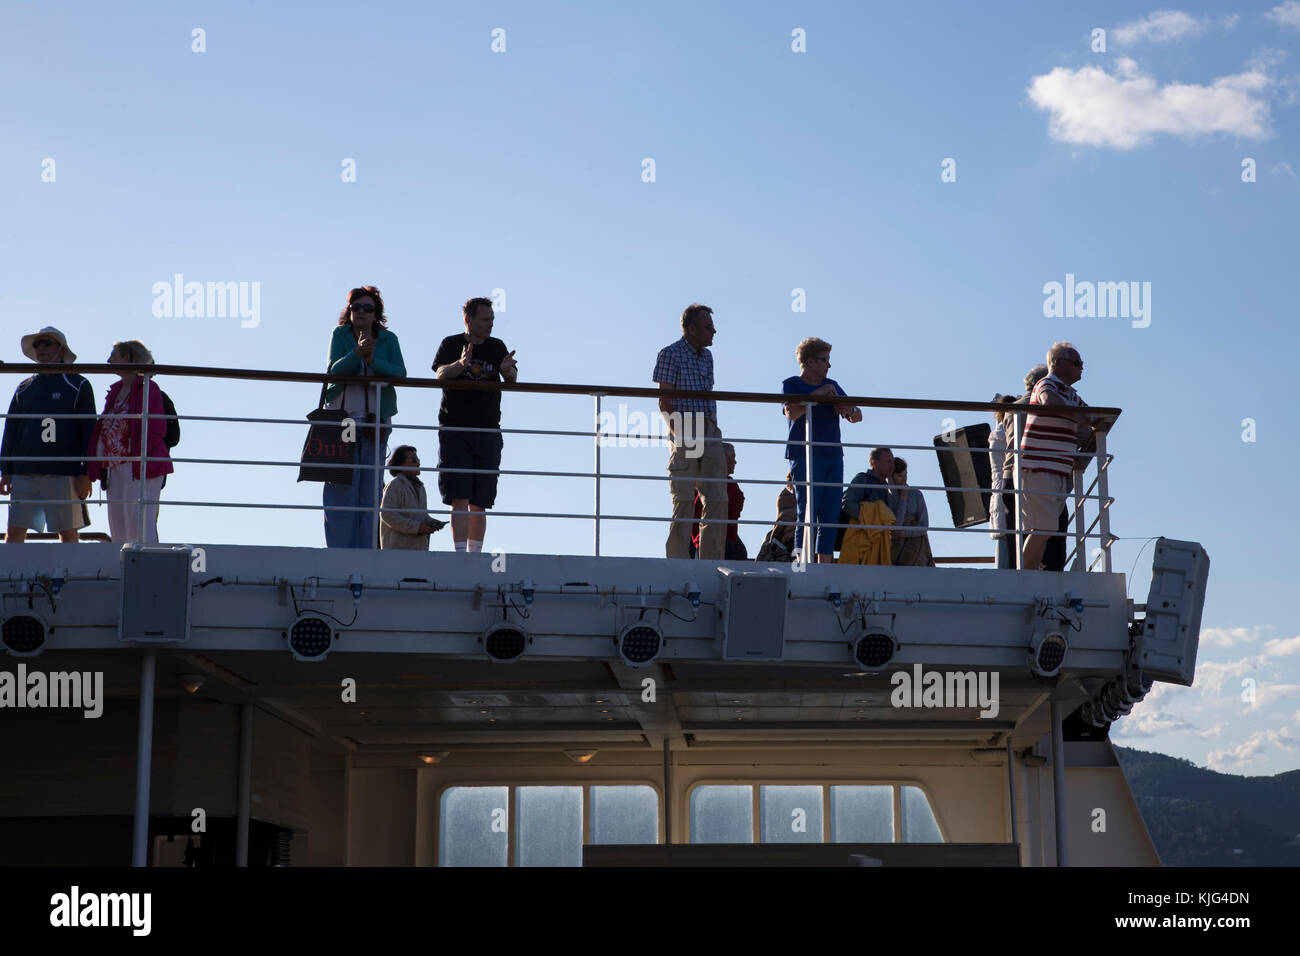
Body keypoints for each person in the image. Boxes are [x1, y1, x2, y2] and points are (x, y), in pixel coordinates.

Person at [322, 286, 406, 549]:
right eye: (355, 307)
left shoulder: (388, 339)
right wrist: (357, 353)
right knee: (341, 489)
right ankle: (340, 551)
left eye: (367, 308)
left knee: (369, 490)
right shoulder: (340, 334)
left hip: (375, 422)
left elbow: (399, 374)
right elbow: (334, 370)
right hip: (344, 421)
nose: (360, 312)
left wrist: (371, 360)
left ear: (376, 313)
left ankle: (366, 550)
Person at [433, 297, 517, 553]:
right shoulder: (451, 343)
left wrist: (508, 371)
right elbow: (439, 374)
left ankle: (475, 555)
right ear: (468, 319)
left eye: (492, 319)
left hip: (488, 429)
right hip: (455, 428)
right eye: (485, 319)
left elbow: (512, 380)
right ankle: (460, 556)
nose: (491, 324)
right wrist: (461, 364)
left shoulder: (496, 346)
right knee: (459, 496)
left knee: (480, 500)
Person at [1, 327, 95, 543]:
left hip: (62, 471)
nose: (41, 348)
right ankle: (9, 575)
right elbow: (11, 428)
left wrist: (86, 472)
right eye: (37, 344)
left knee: (68, 531)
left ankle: (72, 576)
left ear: (61, 350)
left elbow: (88, 430)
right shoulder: (24, 388)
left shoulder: (78, 385)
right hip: (24, 470)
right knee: (14, 531)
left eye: (47, 343)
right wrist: (5, 469)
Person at [653, 304, 726, 560]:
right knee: (684, 498)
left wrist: (715, 431)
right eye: (708, 327)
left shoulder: (707, 357)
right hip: (685, 424)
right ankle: (677, 560)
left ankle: (710, 561)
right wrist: (678, 432)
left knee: (718, 498)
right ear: (692, 328)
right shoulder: (670, 354)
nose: (714, 331)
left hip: (708, 427)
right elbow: (664, 400)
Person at [782, 337, 862, 563]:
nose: (829, 365)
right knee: (806, 512)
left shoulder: (833, 386)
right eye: (824, 360)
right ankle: (801, 564)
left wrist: (848, 408)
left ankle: (823, 566)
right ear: (809, 361)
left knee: (829, 515)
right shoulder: (792, 384)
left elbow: (857, 416)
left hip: (833, 455)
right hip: (804, 453)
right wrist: (819, 395)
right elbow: (791, 412)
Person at [86, 340, 174, 544]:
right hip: (115, 464)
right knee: (118, 524)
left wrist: (139, 458)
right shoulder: (116, 390)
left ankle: (148, 565)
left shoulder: (148, 388)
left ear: (128, 357)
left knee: (139, 522)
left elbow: (155, 428)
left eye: (114, 354)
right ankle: (123, 570)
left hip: (139, 464)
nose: (109, 360)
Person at [1020, 342, 1092, 571]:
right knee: (1044, 528)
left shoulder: (1070, 393)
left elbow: (1090, 418)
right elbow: (1048, 401)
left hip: (1057, 469)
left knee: (1045, 528)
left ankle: (1029, 572)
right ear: (1059, 363)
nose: (1082, 368)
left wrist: (1084, 419)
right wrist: (1078, 417)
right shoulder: (1047, 383)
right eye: (1077, 363)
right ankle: (1026, 575)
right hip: (1040, 466)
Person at [379, 445, 446, 550]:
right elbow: (387, 514)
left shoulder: (420, 487)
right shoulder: (395, 485)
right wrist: (417, 527)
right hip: (397, 552)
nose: (418, 463)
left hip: (418, 550)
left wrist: (431, 522)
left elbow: (420, 515)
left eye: (418, 459)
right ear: (401, 464)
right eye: (414, 460)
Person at [689, 442, 747, 560]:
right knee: (740, 554)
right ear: (724, 459)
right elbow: (734, 514)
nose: (735, 462)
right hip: (723, 539)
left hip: (697, 540)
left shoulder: (699, 484)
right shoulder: (729, 485)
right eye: (733, 458)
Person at [987, 394, 1018, 569]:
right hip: (1008, 488)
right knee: (1009, 543)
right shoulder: (1005, 434)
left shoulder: (997, 434)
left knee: (1004, 543)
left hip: (999, 490)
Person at [889, 457, 935, 567]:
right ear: (891, 476)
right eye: (900, 476)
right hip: (895, 549)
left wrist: (905, 532)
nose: (904, 480)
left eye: (906, 474)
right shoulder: (887, 497)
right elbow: (896, 526)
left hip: (917, 547)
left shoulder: (916, 494)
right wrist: (903, 500)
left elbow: (924, 526)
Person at [756, 471, 798, 562]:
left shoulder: (810, 499)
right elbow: (783, 521)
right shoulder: (784, 496)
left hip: (799, 535)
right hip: (783, 536)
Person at [843, 447, 897, 516]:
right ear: (874, 462)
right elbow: (847, 505)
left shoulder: (887, 488)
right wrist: (872, 518)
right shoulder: (863, 479)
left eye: (893, 462)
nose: (892, 466)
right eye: (888, 462)